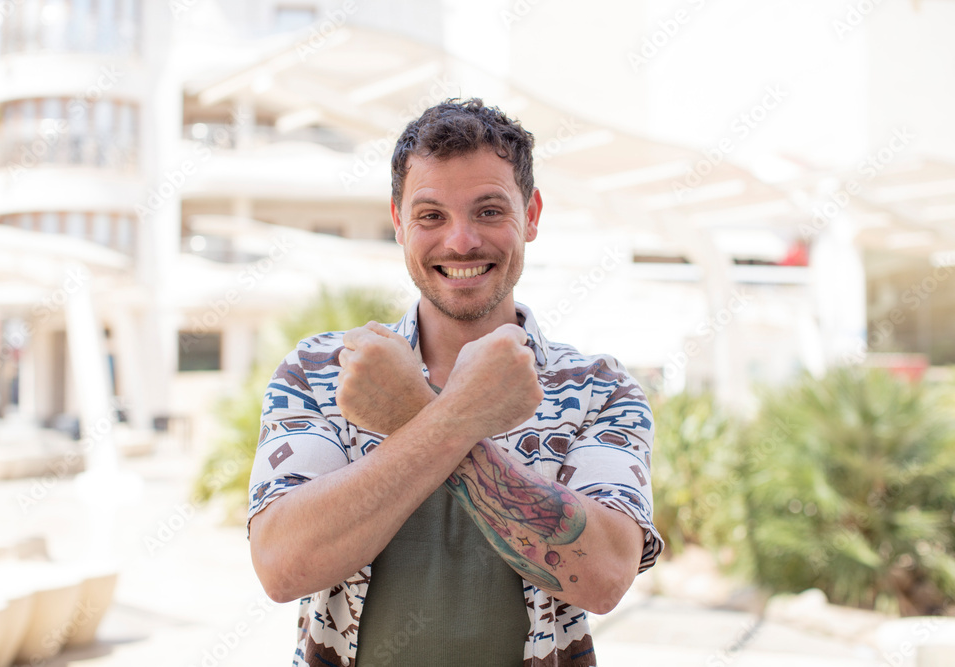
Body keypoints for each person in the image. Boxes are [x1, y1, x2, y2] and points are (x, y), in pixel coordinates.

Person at [247, 98, 663, 666]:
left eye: (489, 211)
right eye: (431, 215)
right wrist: (454, 415)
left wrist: (419, 414)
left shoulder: (599, 389)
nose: (461, 241)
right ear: (398, 222)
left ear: (532, 214)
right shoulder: (323, 373)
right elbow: (281, 564)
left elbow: (604, 576)